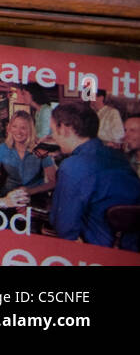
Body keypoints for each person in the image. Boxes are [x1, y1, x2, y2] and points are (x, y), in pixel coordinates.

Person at [48, 101, 140, 250]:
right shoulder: (120, 157)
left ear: (65, 129)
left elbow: (65, 228)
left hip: (97, 253)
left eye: (52, 130)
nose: (53, 136)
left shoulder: (72, 167)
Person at [0, 111, 56, 194]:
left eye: (23, 128)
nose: (18, 132)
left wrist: (30, 191)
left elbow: (53, 182)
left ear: (30, 130)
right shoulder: (2, 148)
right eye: (14, 126)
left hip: (36, 198)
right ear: (10, 128)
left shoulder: (40, 150)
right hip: (9, 197)